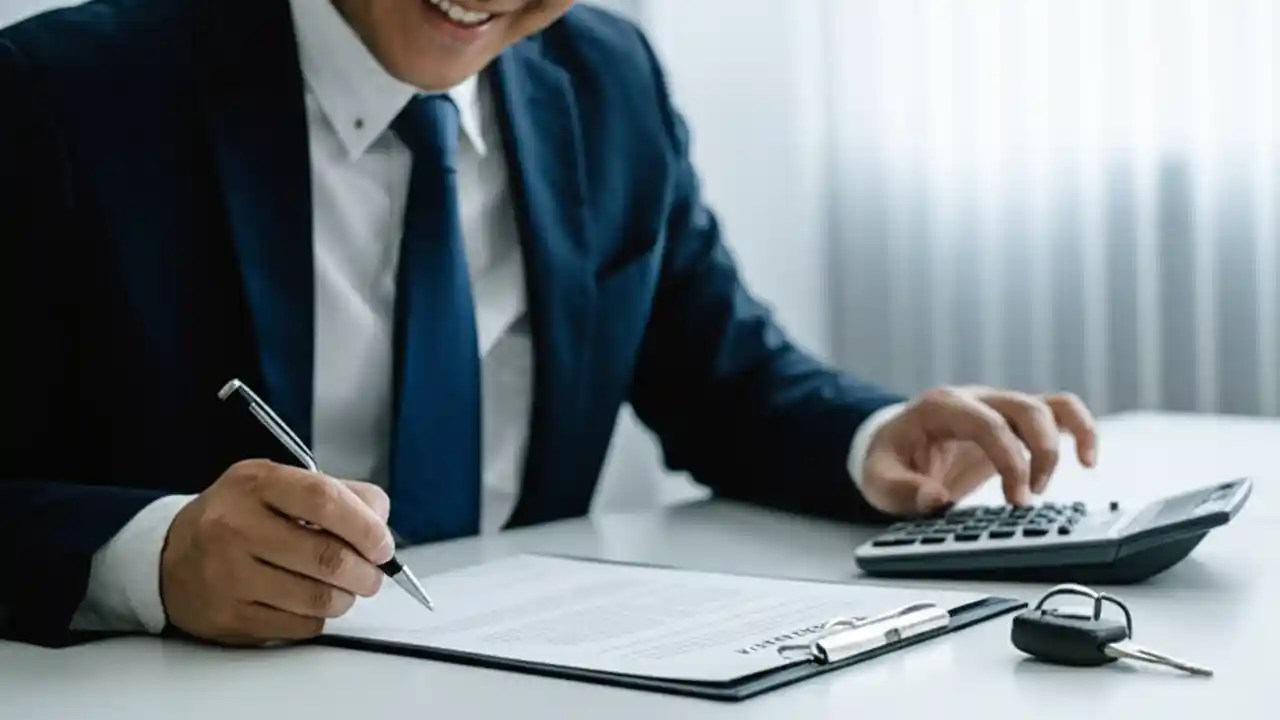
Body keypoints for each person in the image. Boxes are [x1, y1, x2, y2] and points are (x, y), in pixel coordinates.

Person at [0, 0, 1097, 648]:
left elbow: (718, 374)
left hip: (531, 679)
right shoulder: (66, 94)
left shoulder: (605, 76)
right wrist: (149, 558)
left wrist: (873, 435)